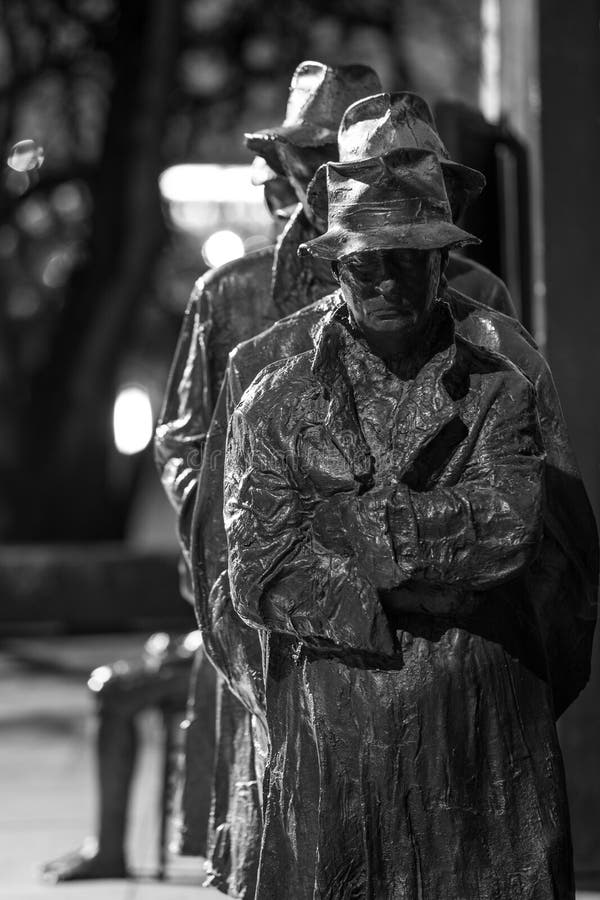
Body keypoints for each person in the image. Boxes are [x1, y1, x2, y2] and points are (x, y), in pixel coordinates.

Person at [224, 147, 593, 898]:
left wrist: (358, 530)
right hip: (335, 726)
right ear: (337, 269)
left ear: (441, 265)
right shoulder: (275, 400)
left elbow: (509, 527)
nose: (388, 281)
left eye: (408, 260)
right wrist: (419, 586)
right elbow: (259, 572)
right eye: (367, 265)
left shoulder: (500, 390)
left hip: (478, 720)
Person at [155, 60, 383, 897]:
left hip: (394, 596)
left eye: (342, 159)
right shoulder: (232, 293)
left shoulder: (462, 292)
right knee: (271, 822)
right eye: (309, 158)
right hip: (259, 602)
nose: (321, 179)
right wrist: (238, 534)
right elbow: (183, 442)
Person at [41, 630, 213, 882]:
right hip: (224, 644)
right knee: (121, 676)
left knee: (112, 690)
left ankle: (108, 852)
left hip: (234, 655)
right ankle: (105, 848)